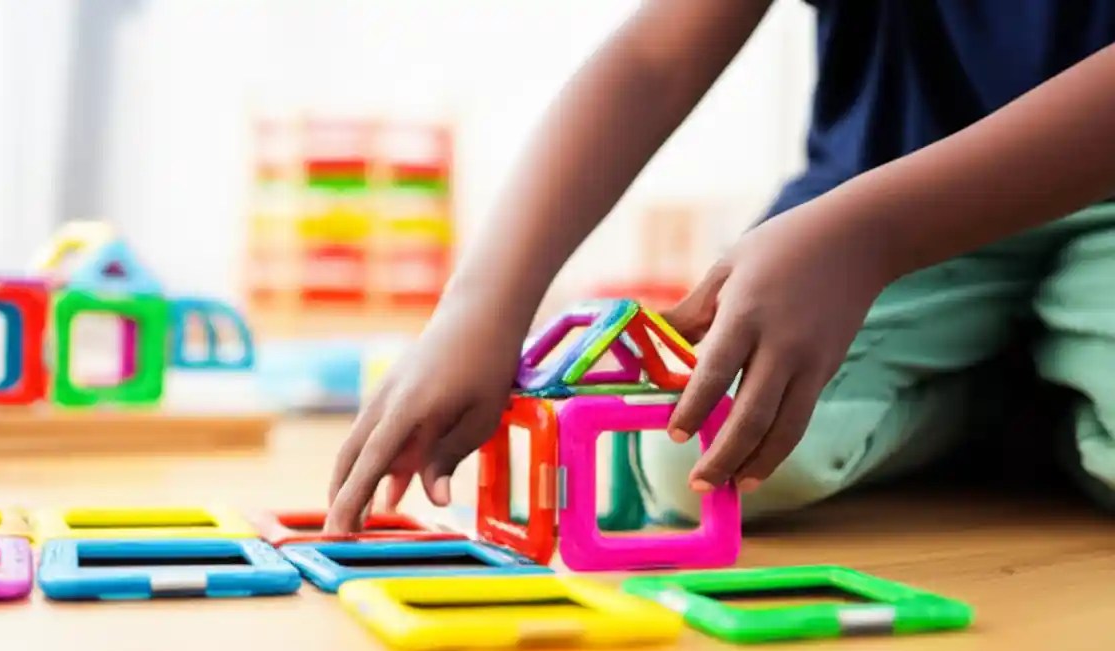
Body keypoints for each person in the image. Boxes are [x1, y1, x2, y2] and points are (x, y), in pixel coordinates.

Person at [326, 0, 1115, 531]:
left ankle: (1023, 387)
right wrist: (483, 302)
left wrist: (869, 237)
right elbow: (653, 56)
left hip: (1027, 208)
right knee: (695, 458)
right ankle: (1000, 399)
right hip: (864, 203)